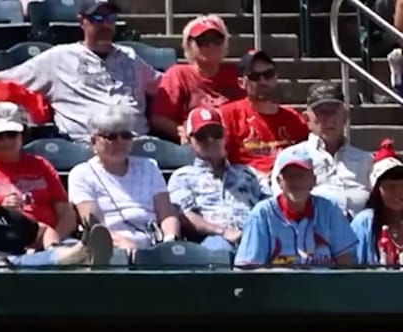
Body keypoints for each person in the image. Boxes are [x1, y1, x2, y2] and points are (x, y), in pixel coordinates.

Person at [0, 0, 160, 143]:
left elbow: (163, 85)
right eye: (97, 17)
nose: (105, 24)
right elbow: (2, 78)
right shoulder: (58, 58)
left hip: (139, 143)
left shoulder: (129, 56)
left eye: (110, 17)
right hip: (90, 146)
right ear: (82, 22)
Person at [69, 104, 182, 257]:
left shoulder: (149, 167)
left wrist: (170, 241)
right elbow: (94, 226)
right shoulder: (81, 174)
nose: (120, 141)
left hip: (153, 245)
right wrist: (122, 243)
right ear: (94, 141)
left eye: (126, 136)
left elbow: (167, 214)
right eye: (111, 136)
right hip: (110, 249)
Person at [0, 102, 78, 236]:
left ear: (22, 135)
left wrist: (52, 242)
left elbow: (66, 214)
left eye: (11, 134)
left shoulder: (41, 165)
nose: (6, 141)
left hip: (48, 243)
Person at [235, 146, 358, 269]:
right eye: (289, 176)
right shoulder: (261, 215)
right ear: (279, 182)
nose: (295, 182)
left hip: (323, 286)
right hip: (278, 286)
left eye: (301, 175)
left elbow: (346, 263)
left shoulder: (329, 209)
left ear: (313, 180)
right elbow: (247, 272)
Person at [168, 106, 267, 252]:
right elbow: (185, 216)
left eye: (216, 134)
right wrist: (223, 232)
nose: (210, 140)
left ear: (224, 136)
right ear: (190, 140)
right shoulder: (182, 177)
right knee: (219, 247)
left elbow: (270, 207)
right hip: (213, 242)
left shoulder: (248, 173)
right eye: (202, 136)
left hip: (255, 238)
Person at [219, 51, 309, 181]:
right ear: (241, 83)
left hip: (289, 185)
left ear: (276, 77)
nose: (263, 81)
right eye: (255, 76)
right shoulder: (228, 115)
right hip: (248, 185)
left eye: (268, 74)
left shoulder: (293, 117)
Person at [287, 83, 373, 217]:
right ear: (306, 119)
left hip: (360, 230)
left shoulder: (366, 159)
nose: (329, 119)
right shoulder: (293, 156)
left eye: (334, 111)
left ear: (345, 116)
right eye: (321, 112)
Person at [153, 15, 244, 142]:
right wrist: (182, 132)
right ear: (189, 45)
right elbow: (159, 118)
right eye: (202, 41)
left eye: (217, 40)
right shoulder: (178, 74)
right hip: (197, 142)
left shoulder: (235, 74)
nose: (211, 45)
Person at [350, 140, 403, 266]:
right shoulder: (363, 223)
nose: (398, 193)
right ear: (376, 191)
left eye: (402, 186)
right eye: (390, 187)